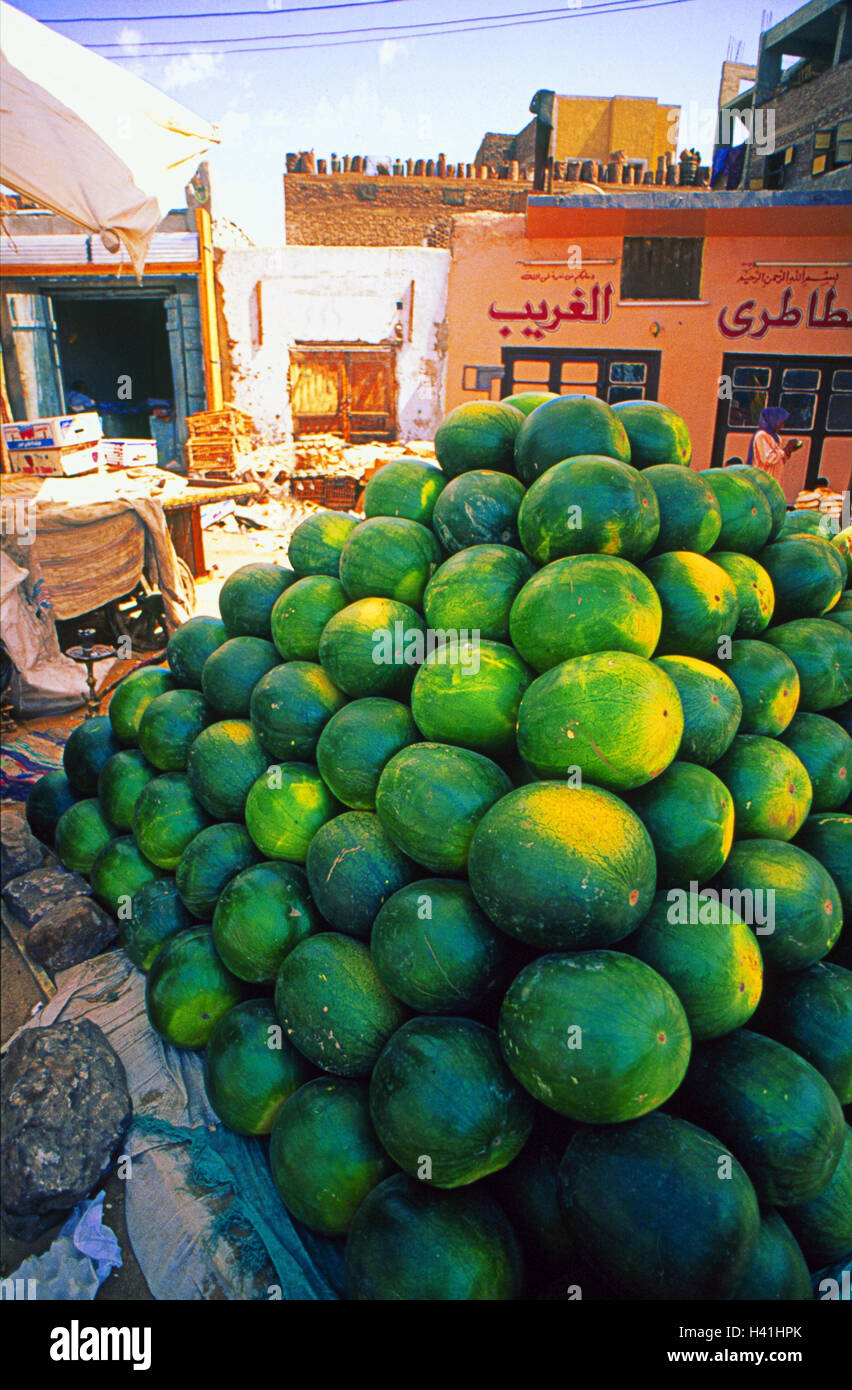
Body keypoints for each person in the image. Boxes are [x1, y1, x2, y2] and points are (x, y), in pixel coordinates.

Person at [746, 406, 801, 481]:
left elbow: (779, 459)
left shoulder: (776, 437)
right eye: (780, 423)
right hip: (762, 481)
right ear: (773, 420)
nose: (782, 426)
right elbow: (768, 459)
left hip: (773, 480)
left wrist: (789, 451)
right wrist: (785, 449)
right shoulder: (761, 435)